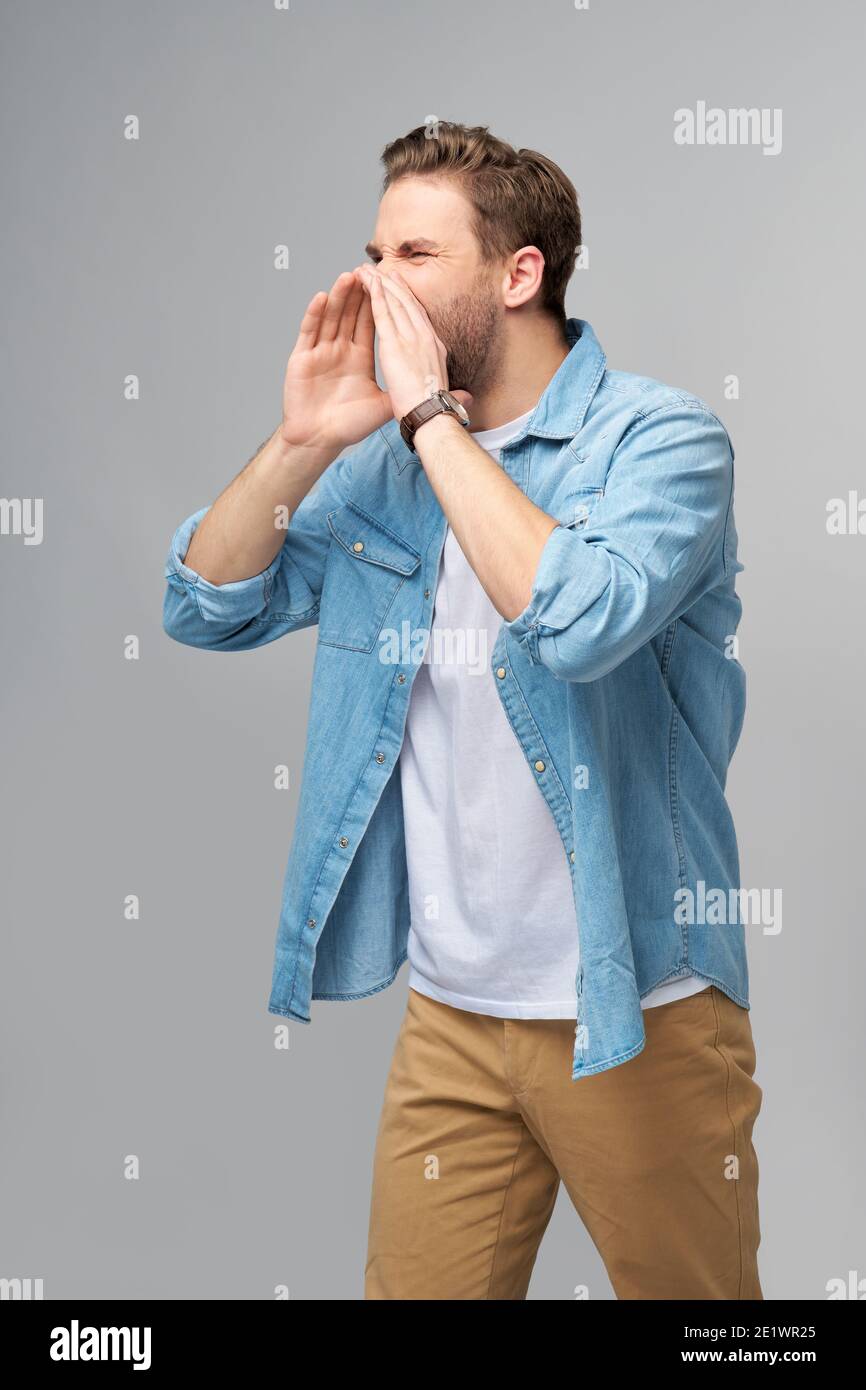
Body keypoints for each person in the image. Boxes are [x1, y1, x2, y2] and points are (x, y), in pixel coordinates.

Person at [163, 121, 762, 1300]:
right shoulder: (383, 468)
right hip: (451, 1018)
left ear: (518, 272)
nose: (375, 283)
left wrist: (430, 418)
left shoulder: (659, 440)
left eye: (415, 255)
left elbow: (579, 619)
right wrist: (301, 444)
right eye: (373, 250)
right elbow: (208, 603)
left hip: (633, 1007)